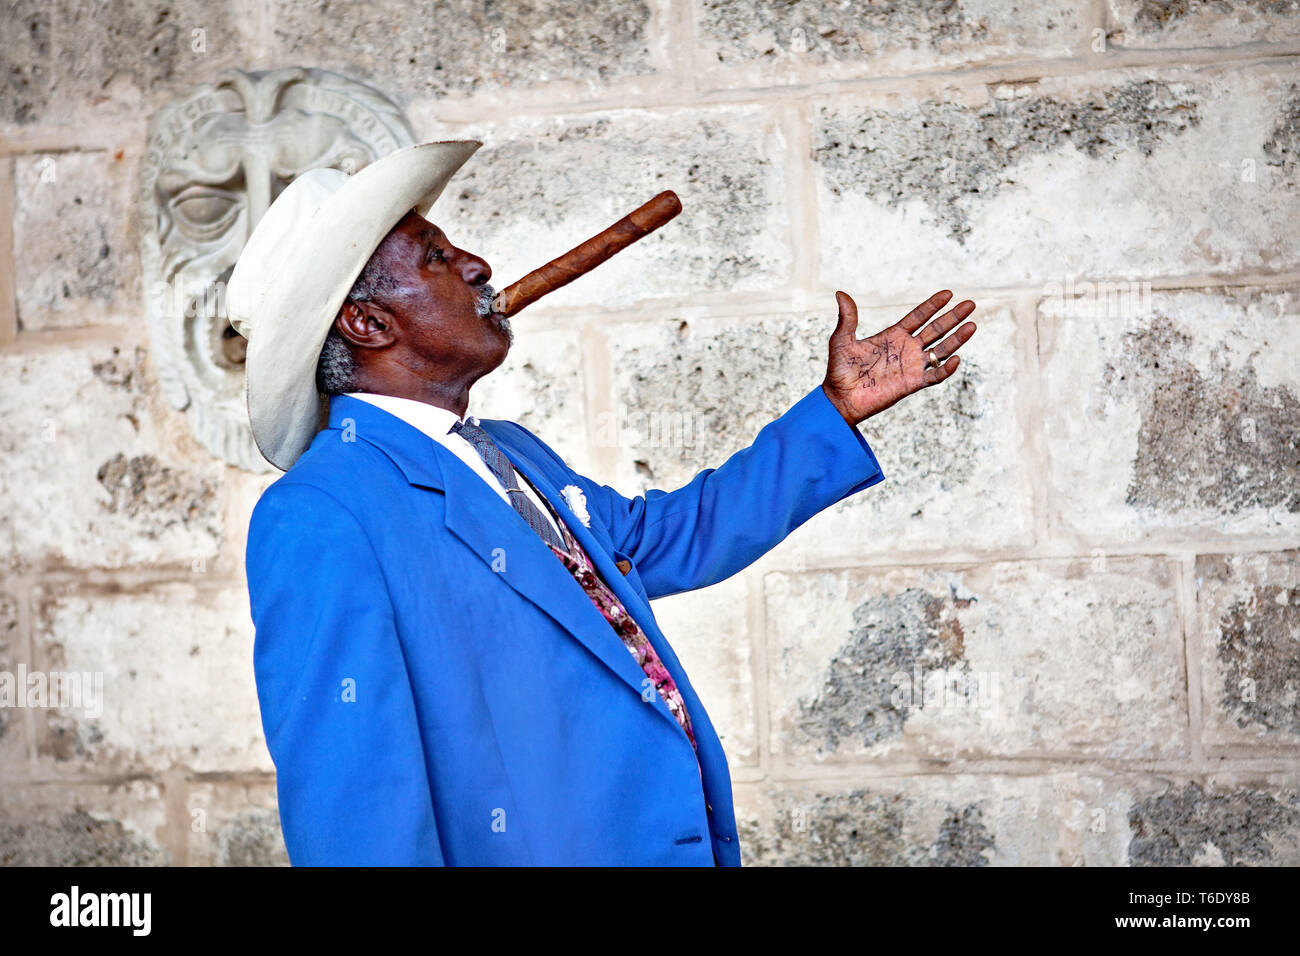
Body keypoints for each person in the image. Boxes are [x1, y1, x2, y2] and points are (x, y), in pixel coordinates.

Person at [227, 140, 977, 866]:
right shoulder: (323, 511)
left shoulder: (508, 451)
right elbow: (353, 813)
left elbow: (669, 538)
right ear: (368, 323)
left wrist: (836, 412)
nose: (478, 265)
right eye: (435, 256)